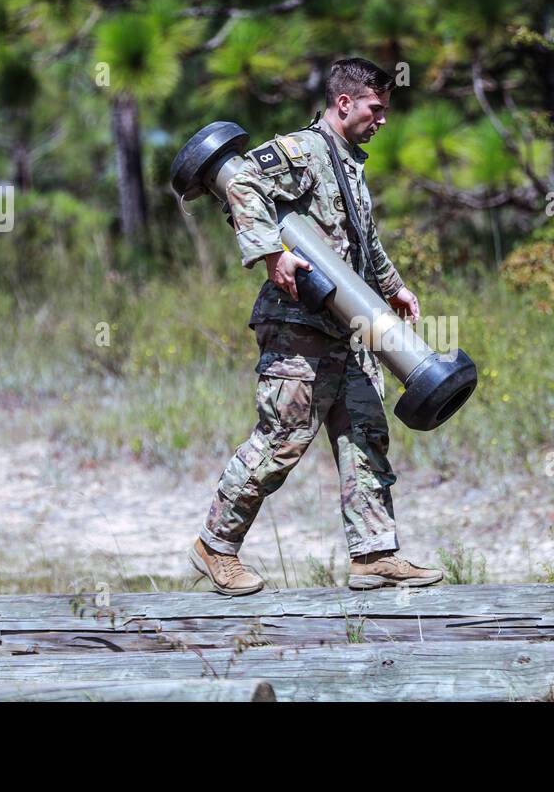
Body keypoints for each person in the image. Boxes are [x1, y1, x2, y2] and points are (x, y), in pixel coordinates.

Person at [189, 57, 444, 595]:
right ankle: (216, 546)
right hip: (298, 327)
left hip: (346, 328)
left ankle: (375, 555)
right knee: (283, 438)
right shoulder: (302, 150)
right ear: (345, 102)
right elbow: (245, 186)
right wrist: (270, 255)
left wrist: (392, 285)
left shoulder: (349, 163)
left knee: (365, 433)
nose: (383, 120)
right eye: (376, 109)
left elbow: (358, 239)